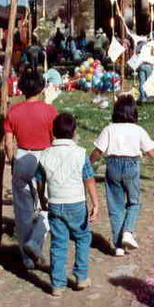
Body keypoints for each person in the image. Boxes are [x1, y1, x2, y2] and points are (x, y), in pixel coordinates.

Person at [37, 113, 99, 297]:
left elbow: (40, 180)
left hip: (55, 203)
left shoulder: (44, 154)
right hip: (76, 202)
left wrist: (42, 198)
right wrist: (95, 203)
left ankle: (57, 284)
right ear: (74, 132)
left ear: (53, 132)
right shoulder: (80, 153)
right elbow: (89, 179)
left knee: (58, 243)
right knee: (82, 238)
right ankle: (81, 277)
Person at [3, 68, 57, 269]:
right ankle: (35, 242)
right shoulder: (50, 111)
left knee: (23, 209)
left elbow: (8, 143)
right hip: (44, 158)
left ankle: (27, 257)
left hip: (22, 156)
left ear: (21, 88)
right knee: (48, 205)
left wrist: (12, 162)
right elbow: (55, 139)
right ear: (42, 88)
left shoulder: (13, 112)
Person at [90, 94, 154, 256]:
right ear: (134, 112)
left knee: (115, 206)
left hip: (112, 165)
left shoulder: (109, 129)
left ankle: (118, 246)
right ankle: (128, 231)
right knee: (134, 202)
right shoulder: (138, 130)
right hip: (131, 165)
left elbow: (98, 151)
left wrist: (88, 163)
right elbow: (151, 153)